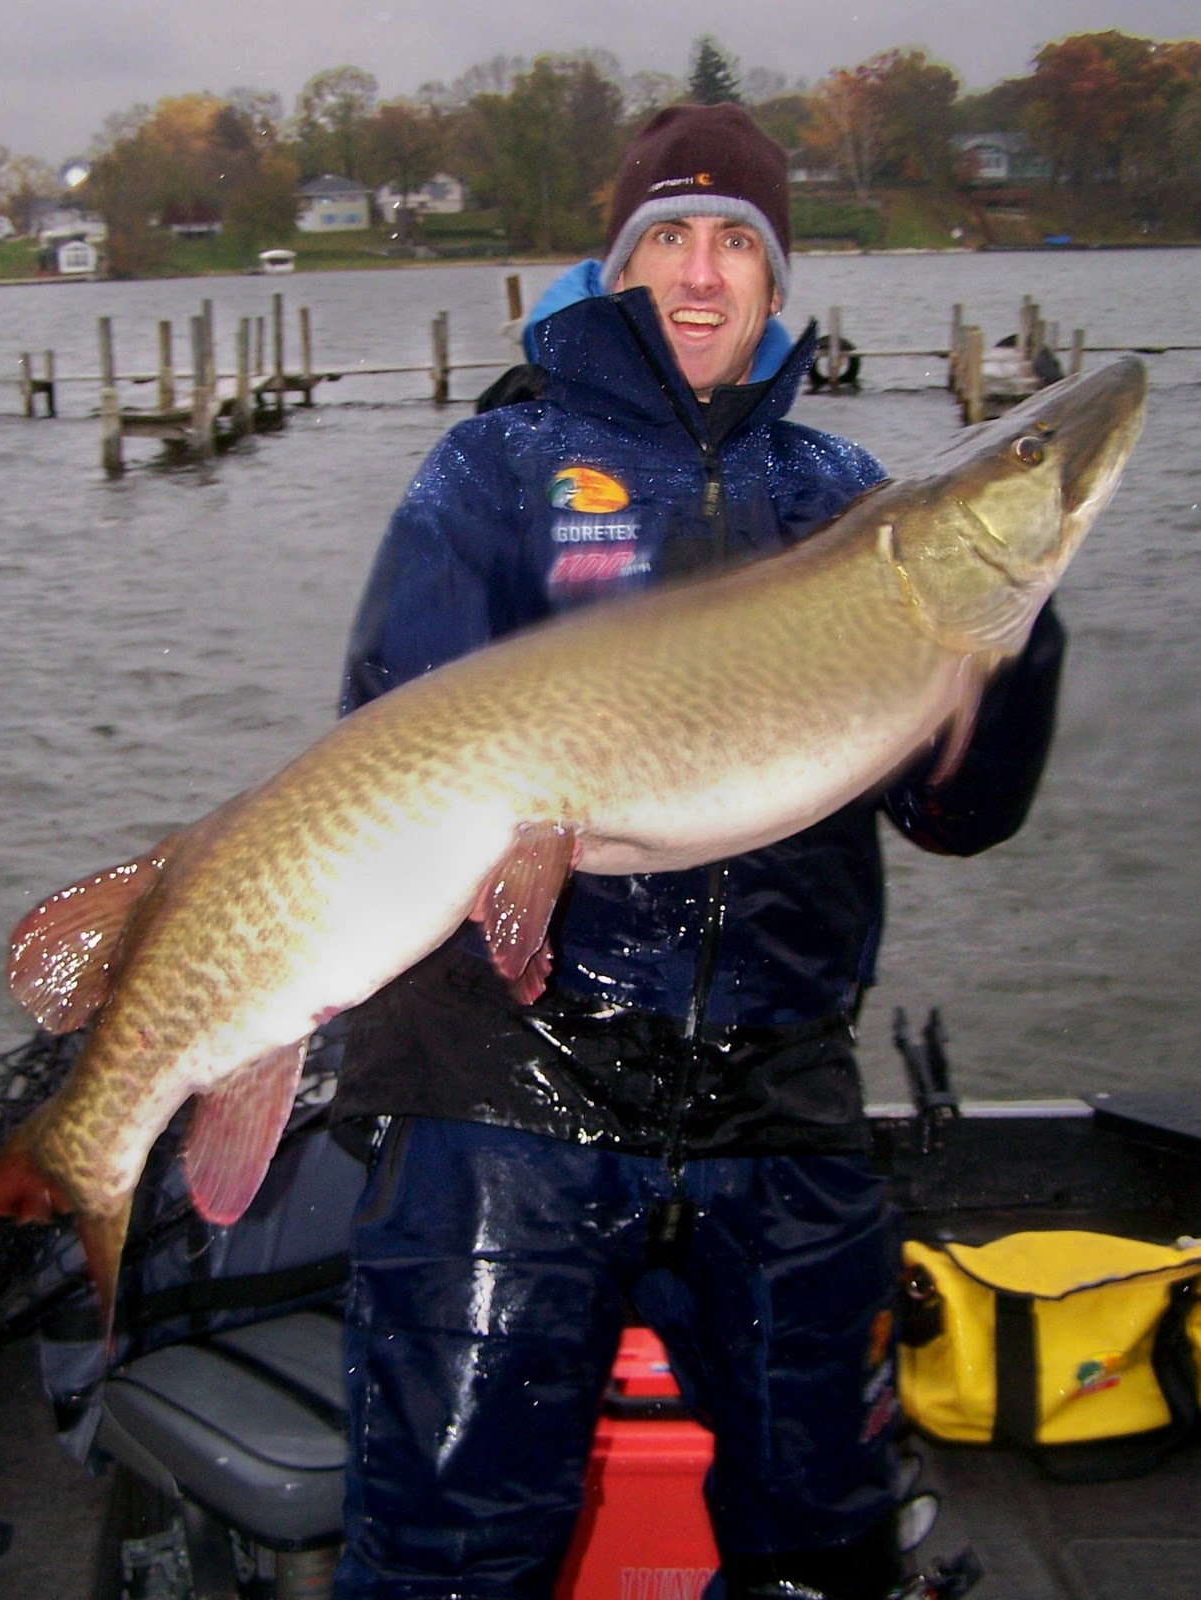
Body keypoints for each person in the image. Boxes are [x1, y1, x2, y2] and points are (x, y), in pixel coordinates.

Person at [330, 103, 1065, 1600]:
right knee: (451, 1562)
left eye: (739, 242)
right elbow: (387, 754)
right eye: (669, 235)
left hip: (778, 1104)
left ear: (779, 285)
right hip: (512, 1094)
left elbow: (956, 816)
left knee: (824, 1552)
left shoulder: (853, 498)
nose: (704, 272)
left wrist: (1018, 637)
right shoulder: (492, 472)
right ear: (618, 267)